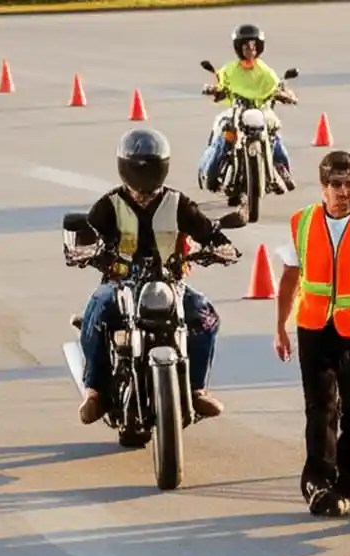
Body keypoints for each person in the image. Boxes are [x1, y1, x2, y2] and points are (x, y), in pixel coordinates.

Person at [75, 128, 239, 425]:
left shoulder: (178, 203)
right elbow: (84, 235)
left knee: (206, 317)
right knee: (95, 311)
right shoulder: (109, 204)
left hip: (169, 283)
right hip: (119, 284)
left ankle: (197, 388)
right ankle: (94, 392)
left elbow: (208, 232)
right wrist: (82, 251)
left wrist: (222, 247)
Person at [273, 150, 350, 517]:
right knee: (320, 407)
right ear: (323, 187)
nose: (344, 192)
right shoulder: (302, 222)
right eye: (336, 185)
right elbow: (291, 276)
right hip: (314, 325)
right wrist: (280, 326)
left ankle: (346, 484)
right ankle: (318, 480)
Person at [197, 23, 296, 195]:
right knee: (223, 131)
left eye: (253, 46)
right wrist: (214, 90)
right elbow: (222, 86)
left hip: (261, 111)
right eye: (246, 46)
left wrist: (286, 95)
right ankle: (209, 171)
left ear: (259, 48)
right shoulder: (229, 70)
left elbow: (277, 87)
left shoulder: (266, 72)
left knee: (274, 133)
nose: (250, 50)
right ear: (238, 48)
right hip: (238, 109)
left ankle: (282, 169)